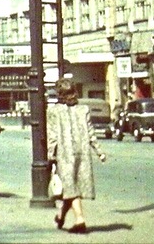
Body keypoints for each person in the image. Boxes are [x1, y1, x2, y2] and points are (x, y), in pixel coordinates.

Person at [47, 78, 107, 235]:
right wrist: (99, 151)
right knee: (72, 188)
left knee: (69, 187)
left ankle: (80, 220)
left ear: (59, 94)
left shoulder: (53, 111)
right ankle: (60, 216)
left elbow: (52, 136)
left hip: (64, 154)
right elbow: (91, 132)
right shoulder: (83, 109)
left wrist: (51, 156)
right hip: (82, 153)